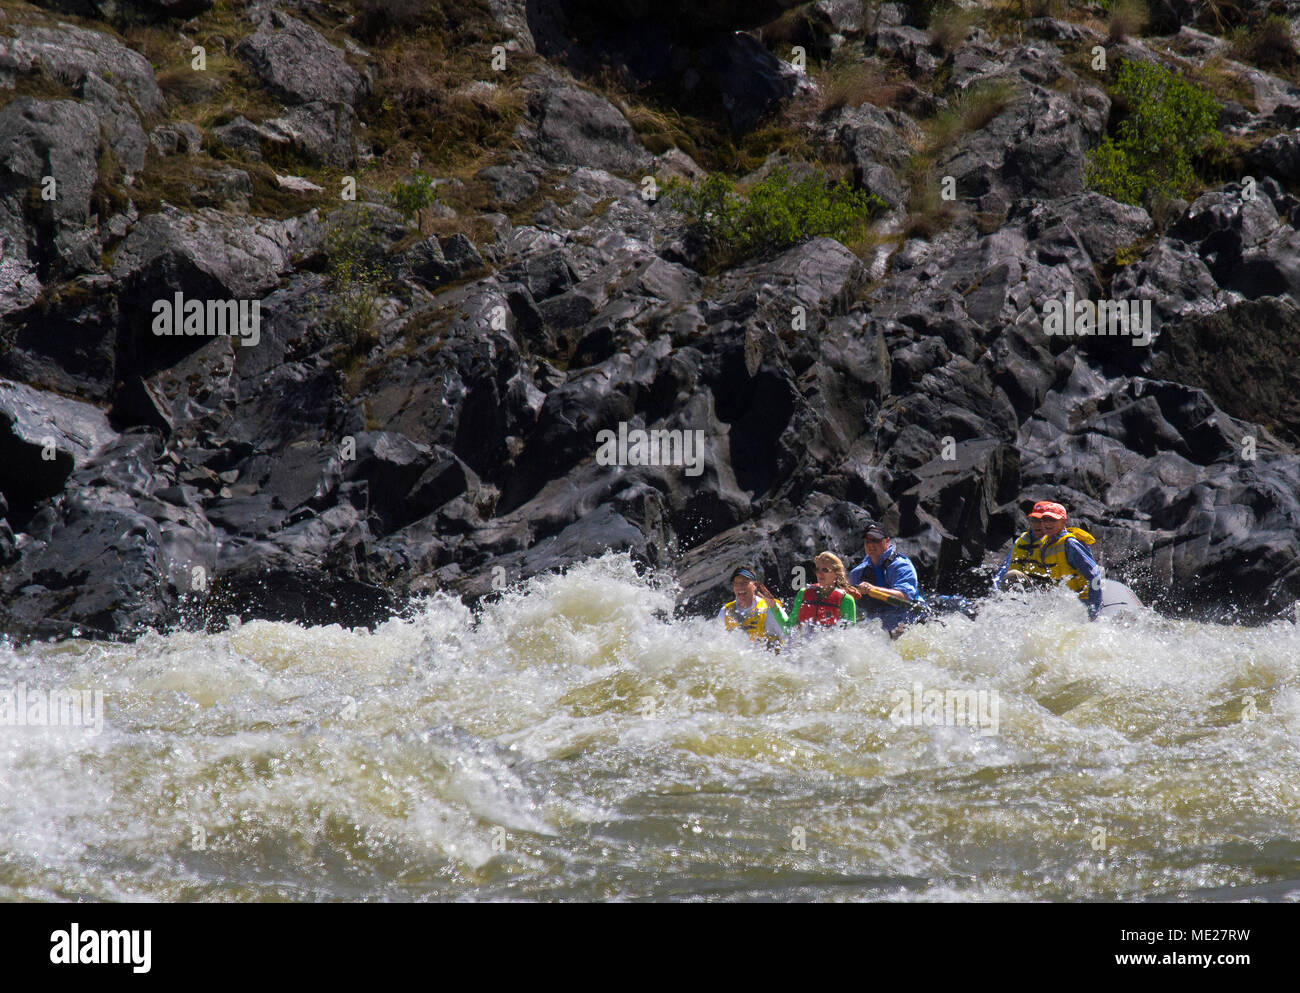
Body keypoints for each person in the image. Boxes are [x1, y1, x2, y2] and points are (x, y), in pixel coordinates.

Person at [992, 501, 1102, 620]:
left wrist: (1094, 612)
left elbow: (1094, 576)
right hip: (1060, 603)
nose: (1046, 524)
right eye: (1044, 520)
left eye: (1053, 520)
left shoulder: (1071, 544)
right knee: (1013, 576)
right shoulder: (1046, 544)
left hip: (1080, 604)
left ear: (1064, 522)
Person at [847, 522, 926, 639]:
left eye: (876, 540)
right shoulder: (857, 573)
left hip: (908, 620)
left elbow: (904, 596)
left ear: (887, 541)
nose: (871, 545)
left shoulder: (901, 566)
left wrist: (871, 589)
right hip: (878, 625)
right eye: (867, 541)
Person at [758, 551, 856, 637]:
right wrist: (773, 607)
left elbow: (849, 639)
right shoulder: (803, 593)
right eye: (817, 569)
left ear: (837, 573)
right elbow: (788, 629)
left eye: (825, 570)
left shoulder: (846, 600)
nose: (819, 574)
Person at [718, 566, 784, 648]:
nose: (740, 587)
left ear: (755, 585)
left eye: (744, 583)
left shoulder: (770, 609)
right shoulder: (725, 611)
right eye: (736, 584)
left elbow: (789, 638)